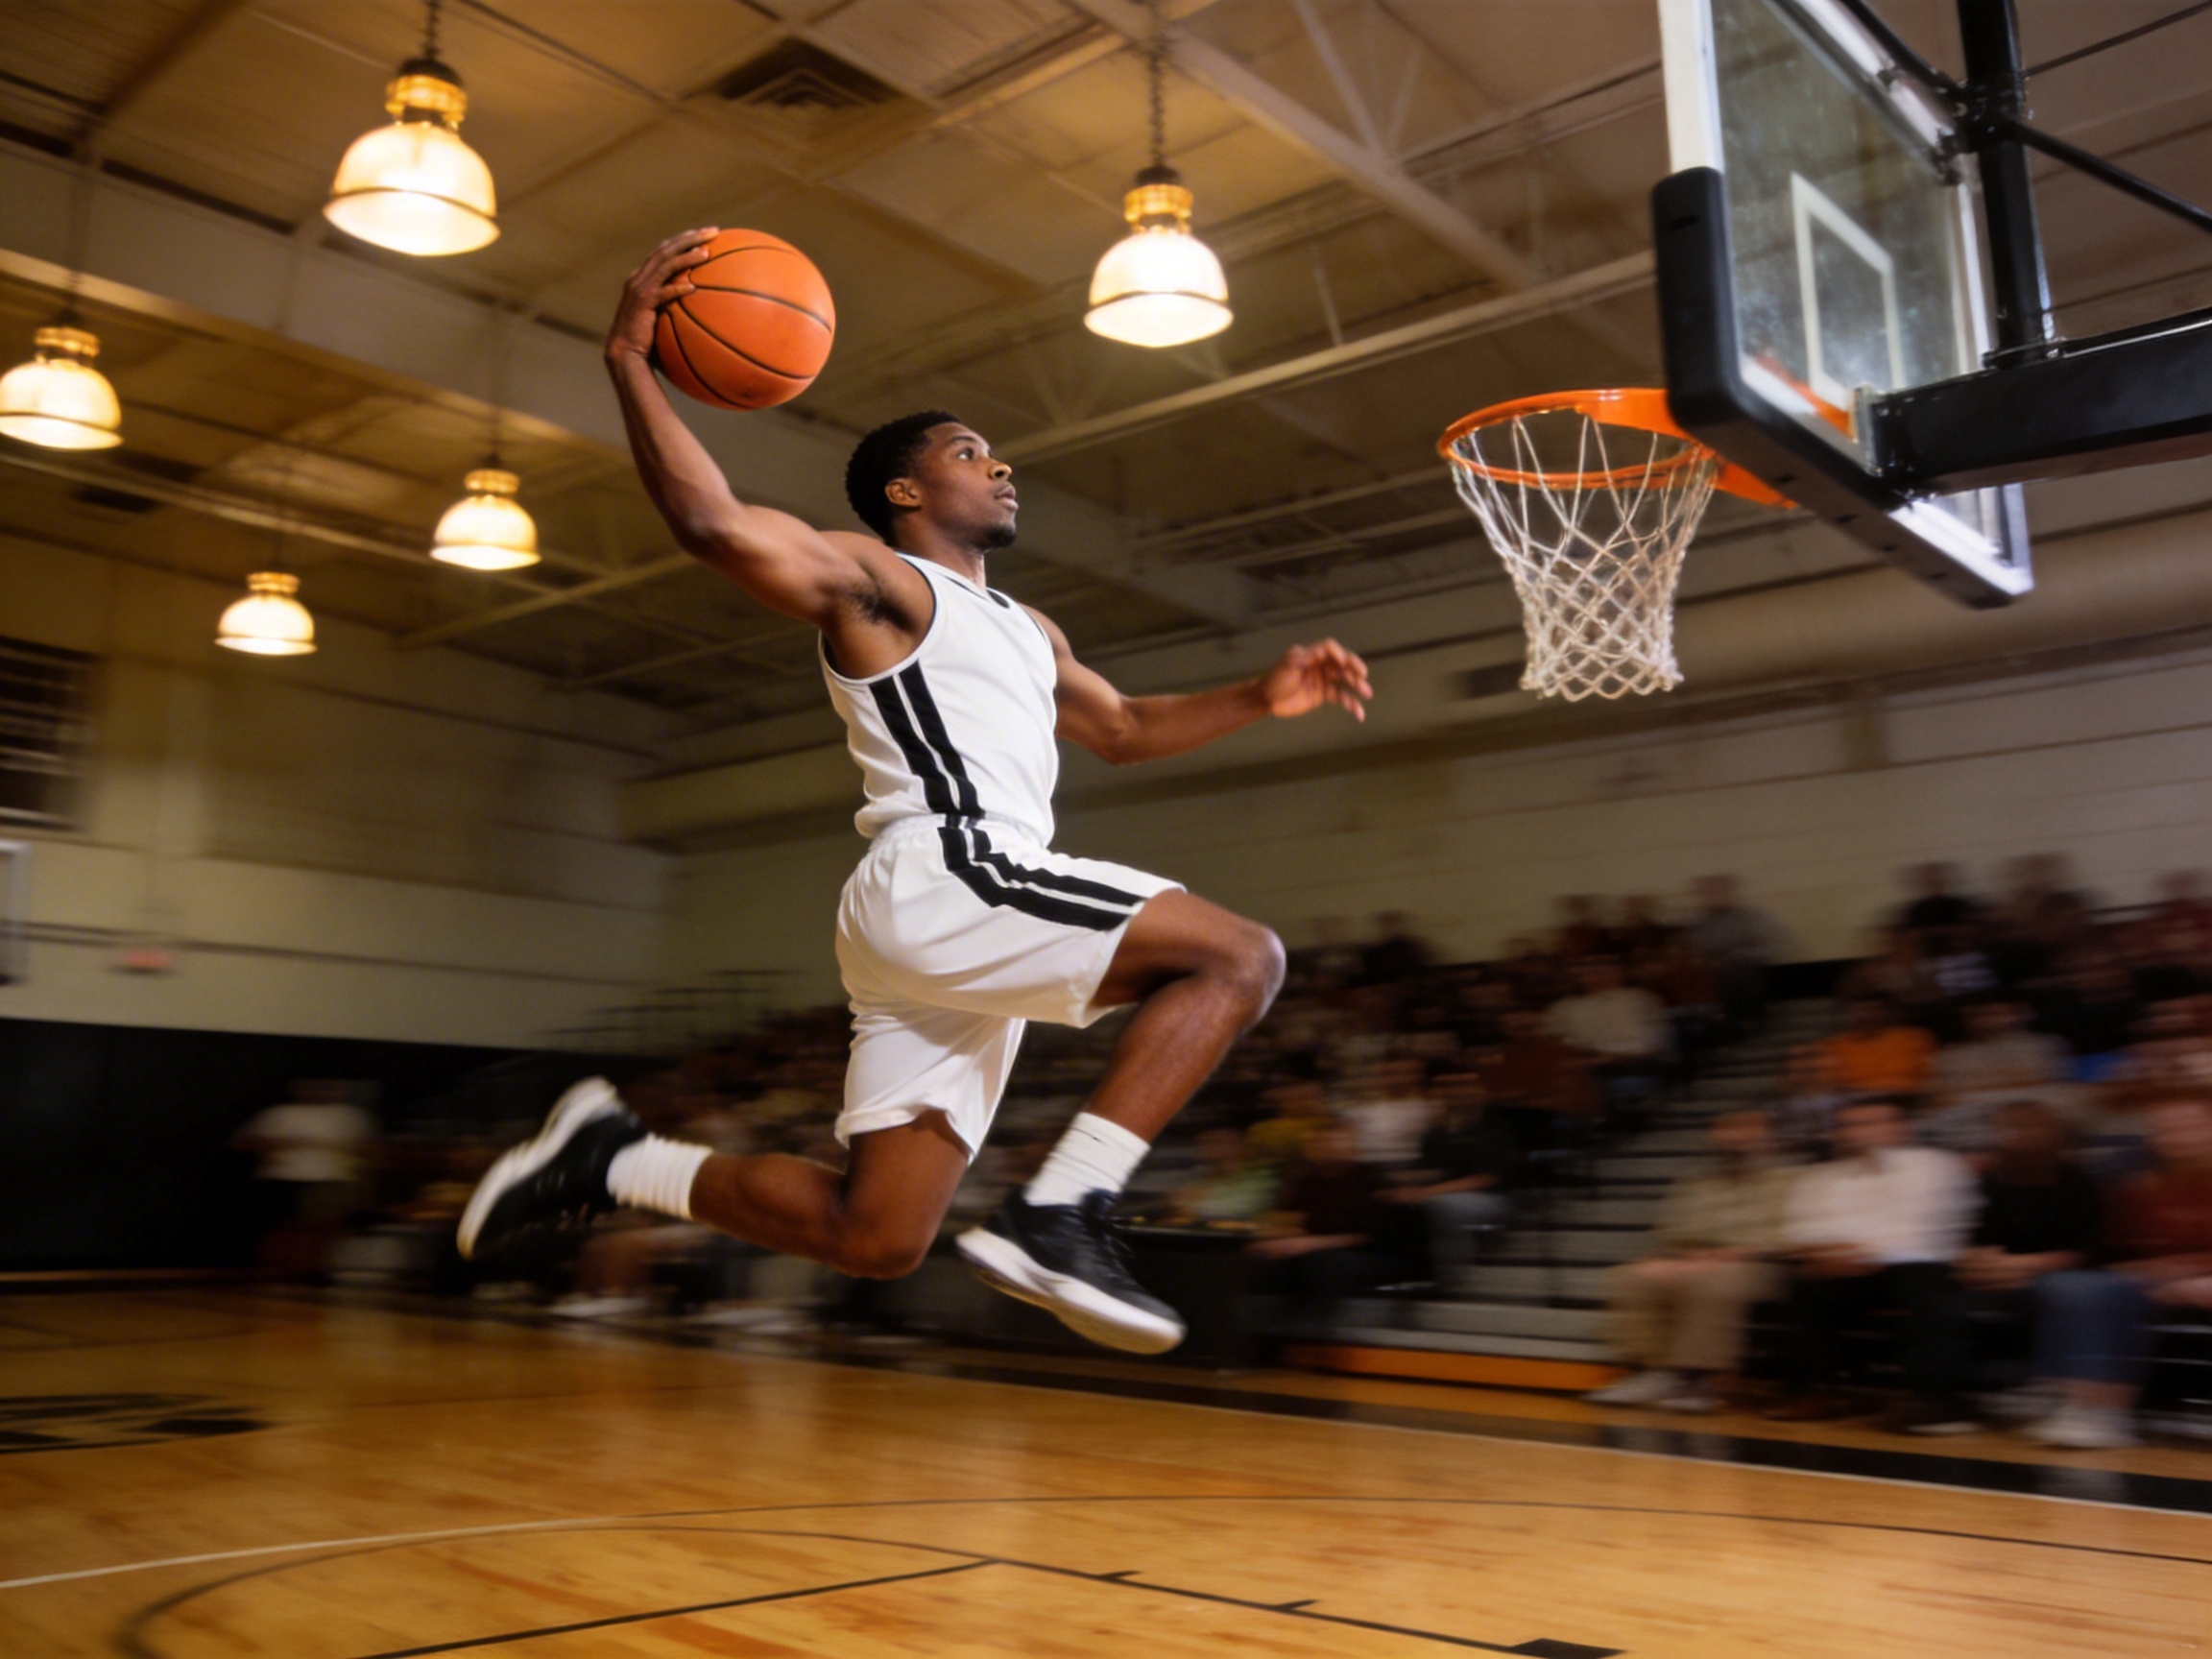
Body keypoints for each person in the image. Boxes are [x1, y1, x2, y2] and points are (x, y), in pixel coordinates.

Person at [457, 229, 1373, 1356]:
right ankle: (1064, 1210)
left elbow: (1126, 729)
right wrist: (626, 362)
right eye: (970, 450)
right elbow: (715, 525)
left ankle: (612, 1158)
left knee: (877, 1233)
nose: (1001, 466)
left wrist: (1260, 694)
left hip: (943, 922)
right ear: (907, 488)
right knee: (1241, 957)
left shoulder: (1033, 629)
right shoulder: (881, 580)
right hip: (952, 866)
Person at [1766, 1097, 1980, 1433]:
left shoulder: (1934, 1166)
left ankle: (1935, 1401)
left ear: (1901, 1127)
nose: (1857, 1132)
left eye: (1871, 1123)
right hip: (1841, 1269)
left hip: (1913, 1265)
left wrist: (1857, 1254)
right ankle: (1811, 1392)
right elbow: (1799, 1230)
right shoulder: (1821, 1177)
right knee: (1806, 1285)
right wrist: (1826, 1254)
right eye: (1849, 1125)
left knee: (1928, 1286)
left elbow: (1926, 1233)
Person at [2025, 1095, 2212, 1449]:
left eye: (2189, 1126)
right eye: (2165, 1129)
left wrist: (2188, 1275)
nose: (2177, 1136)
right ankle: (2085, 1403)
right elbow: (2128, 1253)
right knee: (2069, 1285)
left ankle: (2096, 1406)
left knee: (2103, 1291)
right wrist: (2160, 1274)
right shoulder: (2144, 1188)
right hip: (2164, 1281)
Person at [1588, 1108, 1795, 1412]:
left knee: (1713, 1279)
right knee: (1635, 1276)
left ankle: (1697, 1378)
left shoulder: (1788, 1180)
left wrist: (1728, 1255)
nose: (1735, 1139)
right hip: (1696, 1258)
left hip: (1764, 1262)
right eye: (1727, 1131)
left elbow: (1790, 1236)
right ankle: (1653, 1371)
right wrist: (1675, 1258)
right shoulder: (1695, 1184)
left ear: (1770, 1139)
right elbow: (1676, 1234)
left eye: (1746, 1130)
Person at [1382, 1069, 1515, 1280]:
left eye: (1462, 1085)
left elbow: (1487, 1177)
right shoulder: (1435, 1133)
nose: (1456, 1092)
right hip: (1440, 1192)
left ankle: (1451, 1275)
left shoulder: (1492, 1127)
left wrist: (1427, 1193)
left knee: (1441, 1206)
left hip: (1492, 1198)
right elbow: (1427, 1171)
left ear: (1479, 1090)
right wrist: (1400, 1188)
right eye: (1449, 1087)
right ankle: (1405, 1273)